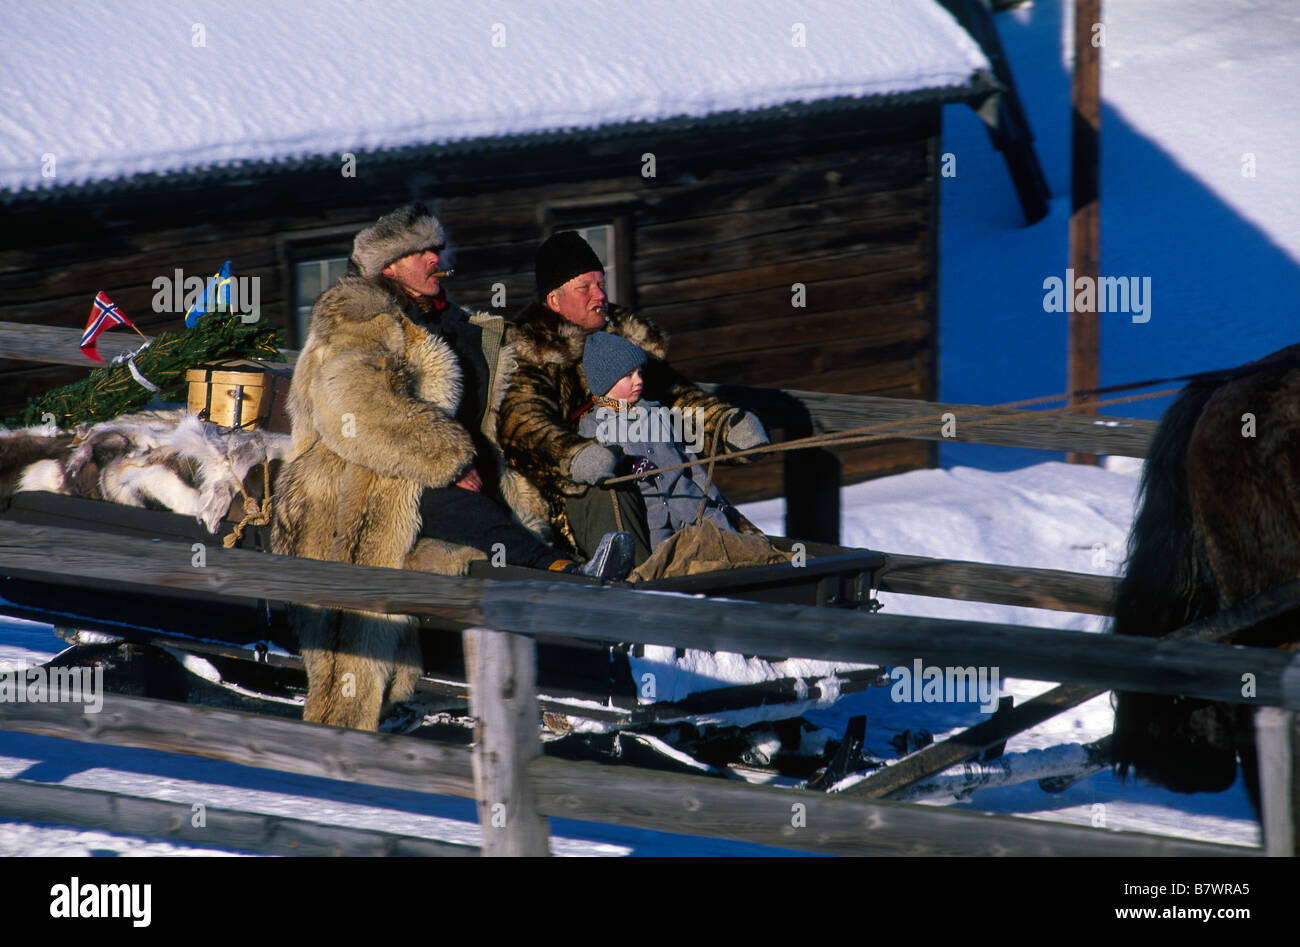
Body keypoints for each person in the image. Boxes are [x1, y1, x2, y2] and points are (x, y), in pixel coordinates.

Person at [271, 206, 628, 730]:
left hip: (455, 473)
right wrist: (446, 458)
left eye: (436, 249)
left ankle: (606, 582)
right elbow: (354, 409)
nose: (435, 259)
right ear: (388, 267)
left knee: (531, 497)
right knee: (459, 507)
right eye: (420, 252)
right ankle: (563, 576)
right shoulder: (358, 319)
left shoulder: (453, 322)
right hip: (362, 482)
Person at [499, 230, 770, 565]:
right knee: (612, 487)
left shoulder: (622, 343)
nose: (598, 294)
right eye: (585, 287)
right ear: (554, 300)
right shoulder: (533, 353)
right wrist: (575, 457)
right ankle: (641, 578)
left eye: (600, 284)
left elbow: (677, 400)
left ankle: (720, 559)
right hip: (574, 499)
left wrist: (725, 429)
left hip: (656, 482)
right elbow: (525, 426)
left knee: (692, 485)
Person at [577, 331, 743, 551]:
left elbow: (690, 463)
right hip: (652, 524)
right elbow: (601, 468)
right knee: (666, 570)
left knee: (735, 547)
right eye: (629, 375)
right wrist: (626, 464)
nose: (639, 380)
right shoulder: (593, 425)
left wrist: (715, 499)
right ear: (606, 380)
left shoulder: (657, 413)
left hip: (695, 509)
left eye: (639, 372)